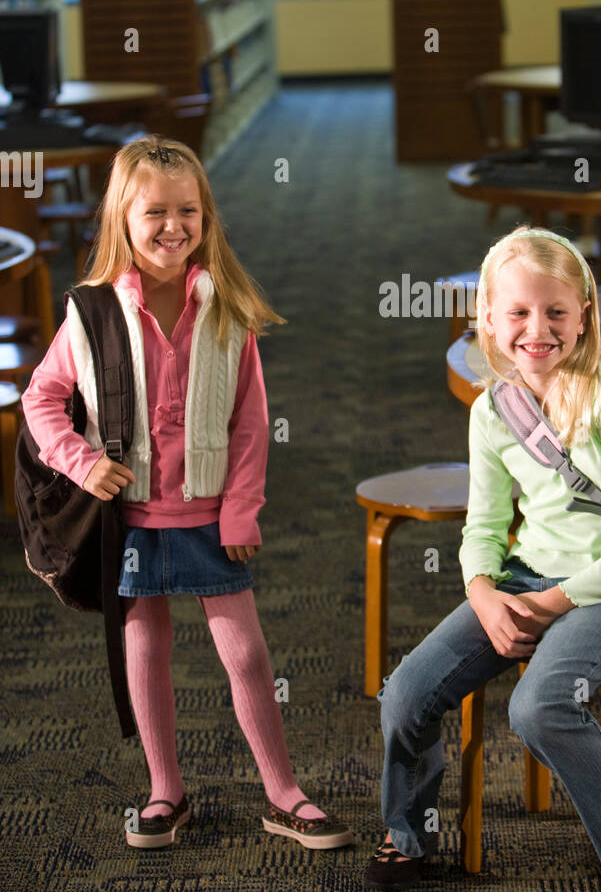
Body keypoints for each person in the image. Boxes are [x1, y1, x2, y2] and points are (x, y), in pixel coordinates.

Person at [366, 226, 601, 892]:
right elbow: (482, 527)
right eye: (517, 313)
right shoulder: (491, 412)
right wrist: (485, 594)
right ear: (486, 317)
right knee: (406, 692)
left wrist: (550, 605)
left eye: (554, 313)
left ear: (583, 314)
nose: (536, 330)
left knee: (541, 707)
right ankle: (410, 831)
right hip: (521, 582)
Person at [21, 136, 352, 853]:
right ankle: (164, 789)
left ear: (206, 217)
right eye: (155, 213)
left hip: (210, 517)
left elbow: (251, 422)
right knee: (147, 646)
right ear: (122, 217)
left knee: (247, 655)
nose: (174, 227)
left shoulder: (226, 309)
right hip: (131, 519)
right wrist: (80, 463)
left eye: (189, 212)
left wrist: (240, 509)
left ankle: (283, 792)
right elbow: (41, 399)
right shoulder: (91, 313)